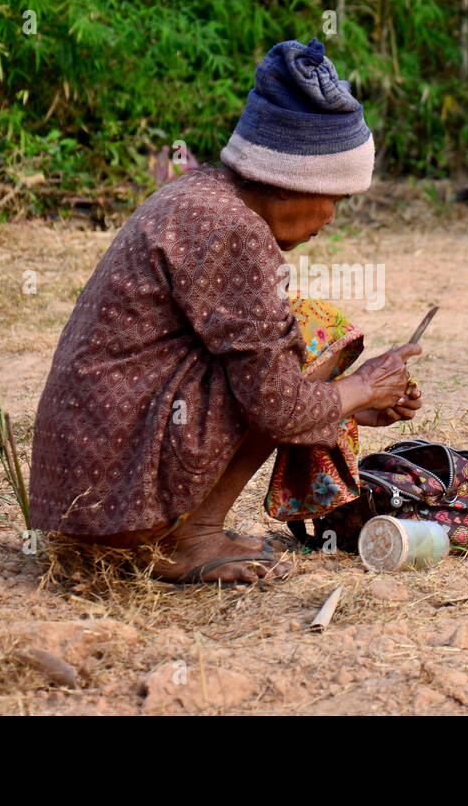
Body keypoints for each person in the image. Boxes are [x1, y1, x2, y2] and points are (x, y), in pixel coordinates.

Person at [29, 38, 422, 583]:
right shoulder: (233, 230)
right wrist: (360, 390)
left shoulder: (199, 197)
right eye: (337, 197)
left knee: (294, 333)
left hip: (87, 489)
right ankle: (189, 537)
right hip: (108, 497)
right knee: (316, 331)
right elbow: (279, 405)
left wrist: (351, 402)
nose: (331, 216)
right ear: (294, 181)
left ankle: (183, 530)